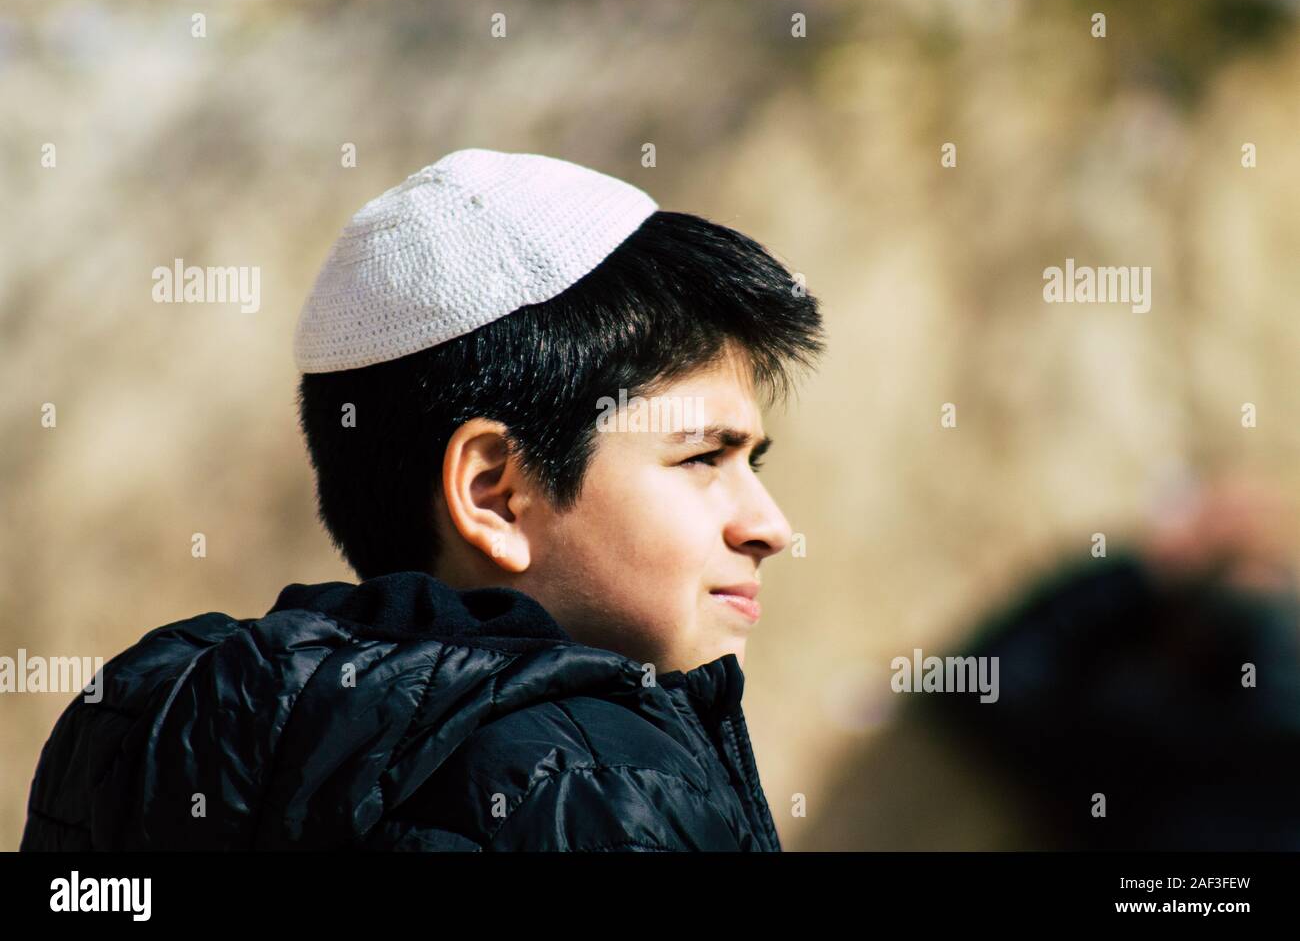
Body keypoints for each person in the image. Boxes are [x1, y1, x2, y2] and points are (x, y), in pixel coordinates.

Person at [20, 148, 825, 851]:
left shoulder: (143, 738)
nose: (770, 527)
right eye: (702, 457)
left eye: (754, 461)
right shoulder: (600, 794)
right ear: (493, 493)